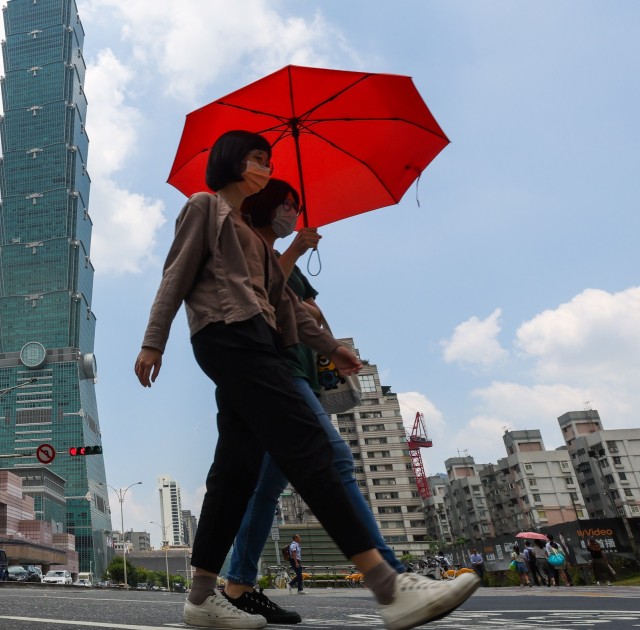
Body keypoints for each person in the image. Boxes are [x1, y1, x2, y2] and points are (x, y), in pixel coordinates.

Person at [135, 130, 478, 630]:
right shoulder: (204, 207)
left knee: (237, 471)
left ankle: (203, 597)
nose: (265, 168)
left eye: (268, 160)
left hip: (257, 340)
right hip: (228, 336)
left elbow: (290, 305)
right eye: (257, 158)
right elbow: (175, 275)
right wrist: (153, 341)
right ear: (231, 161)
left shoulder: (253, 238)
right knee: (310, 444)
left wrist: (331, 346)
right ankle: (389, 585)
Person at [219, 179, 409, 624]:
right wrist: (296, 252)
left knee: (263, 490)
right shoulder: (245, 244)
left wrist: (326, 338)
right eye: (286, 204)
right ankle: (391, 575)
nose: (292, 213)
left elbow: (304, 309)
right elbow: (259, 294)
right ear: (264, 205)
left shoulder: (285, 261)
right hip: (275, 372)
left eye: (296, 206)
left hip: (299, 369)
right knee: (333, 457)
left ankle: (237, 587)